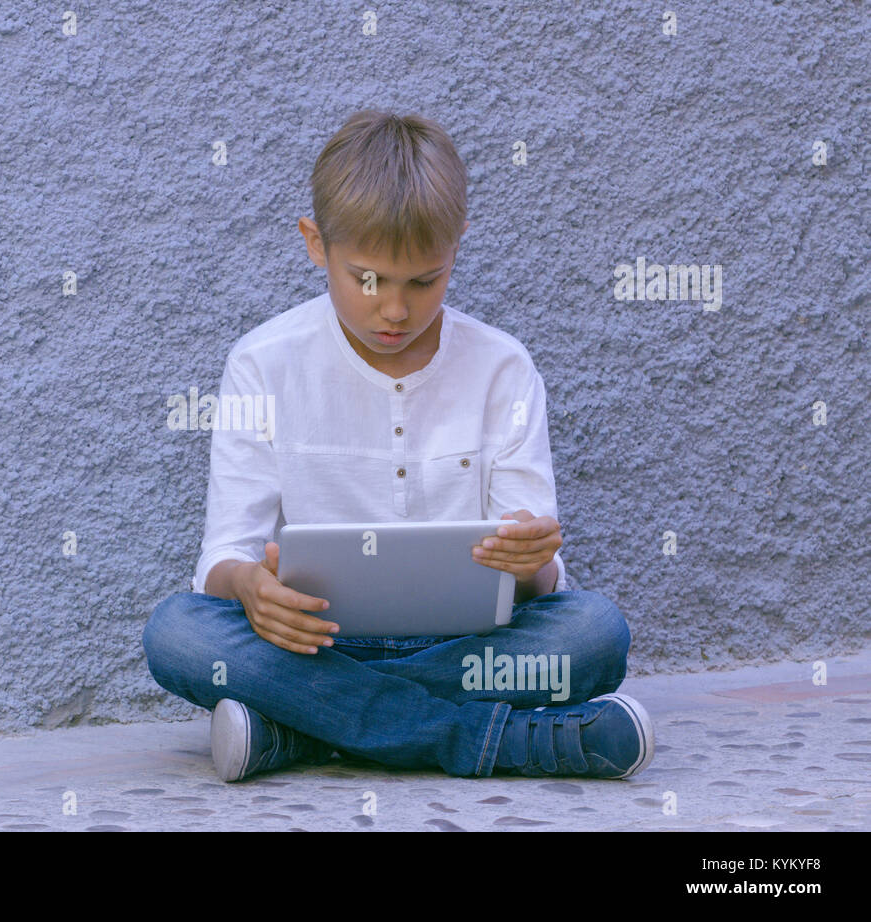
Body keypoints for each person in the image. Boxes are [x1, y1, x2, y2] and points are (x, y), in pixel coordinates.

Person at [143, 110, 654, 783]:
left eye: (424, 282)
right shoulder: (262, 364)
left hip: (467, 647)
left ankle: (301, 729)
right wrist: (249, 588)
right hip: (314, 645)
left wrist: (534, 562)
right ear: (314, 244)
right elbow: (223, 558)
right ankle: (506, 742)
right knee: (178, 633)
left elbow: (539, 582)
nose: (395, 311)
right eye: (368, 280)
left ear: (458, 248)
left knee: (593, 634)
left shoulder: (503, 368)